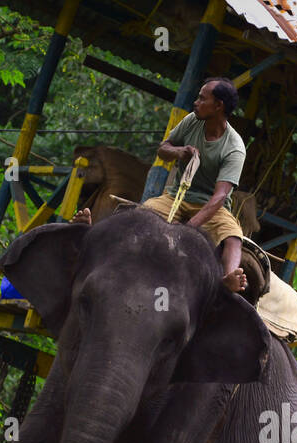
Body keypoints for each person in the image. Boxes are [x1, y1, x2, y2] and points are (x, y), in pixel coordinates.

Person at [73, 77, 249, 293]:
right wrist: (179, 152)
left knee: (233, 236)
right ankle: (94, 236)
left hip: (212, 207)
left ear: (218, 106)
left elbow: (220, 196)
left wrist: (190, 228)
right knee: (141, 214)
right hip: (176, 197)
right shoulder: (193, 120)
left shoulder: (234, 148)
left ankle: (229, 278)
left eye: (202, 99)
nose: (196, 102)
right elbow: (163, 148)